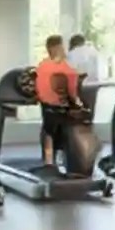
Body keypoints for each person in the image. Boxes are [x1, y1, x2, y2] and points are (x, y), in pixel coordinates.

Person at [36, 35, 81, 166]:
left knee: (48, 130)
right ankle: (69, 159)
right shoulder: (67, 69)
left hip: (47, 107)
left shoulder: (41, 66)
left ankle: (48, 161)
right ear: (59, 48)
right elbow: (72, 93)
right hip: (62, 107)